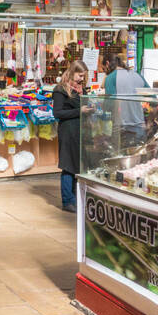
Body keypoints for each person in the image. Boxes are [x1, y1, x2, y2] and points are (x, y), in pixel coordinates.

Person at [53, 59, 91, 213]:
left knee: (77, 165)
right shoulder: (60, 89)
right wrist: (79, 111)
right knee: (68, 166)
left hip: (80, 132)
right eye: (80, 75)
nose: (82, 79)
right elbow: (57, 113)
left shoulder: (80, 89)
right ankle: (68, 201)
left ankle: (76, 198)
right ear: (73, 72)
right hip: (68, 132)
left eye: (83, 76)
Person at [103, 55, 148, 149]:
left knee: (120, 158)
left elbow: (109, 105)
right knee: (138, 158)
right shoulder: (137, 75)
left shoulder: (110, 78)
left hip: (121, 128)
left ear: (107, 64)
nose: (105, 72)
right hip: (140, 126)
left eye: (104, 69)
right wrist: (150, 121)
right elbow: (154, 98)